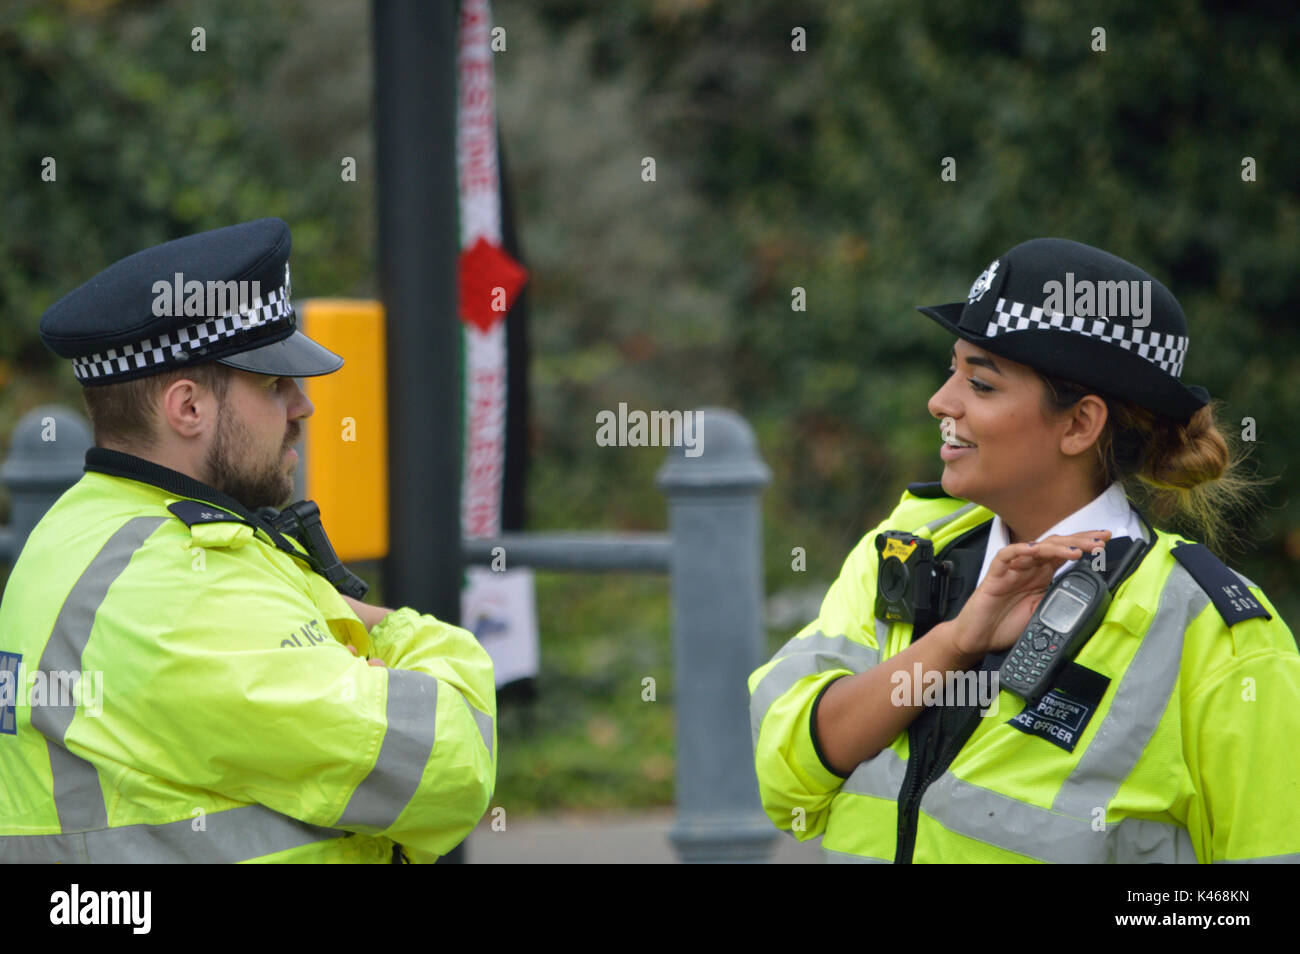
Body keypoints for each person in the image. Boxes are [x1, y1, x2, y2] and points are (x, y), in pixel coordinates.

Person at [749, 237, 1300, 863]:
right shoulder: (902, 549)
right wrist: (953, 644)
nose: (941, 401)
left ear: (1078, 425)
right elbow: (785, 778)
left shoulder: (1218, 635)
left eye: (980, 384)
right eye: (951, 368)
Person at [0, 218, 496, 863]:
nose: (303, 407)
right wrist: (401, 637)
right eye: (272, 384)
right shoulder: (183, 583)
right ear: (188, 409)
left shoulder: (86, 526)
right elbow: (444, 769)